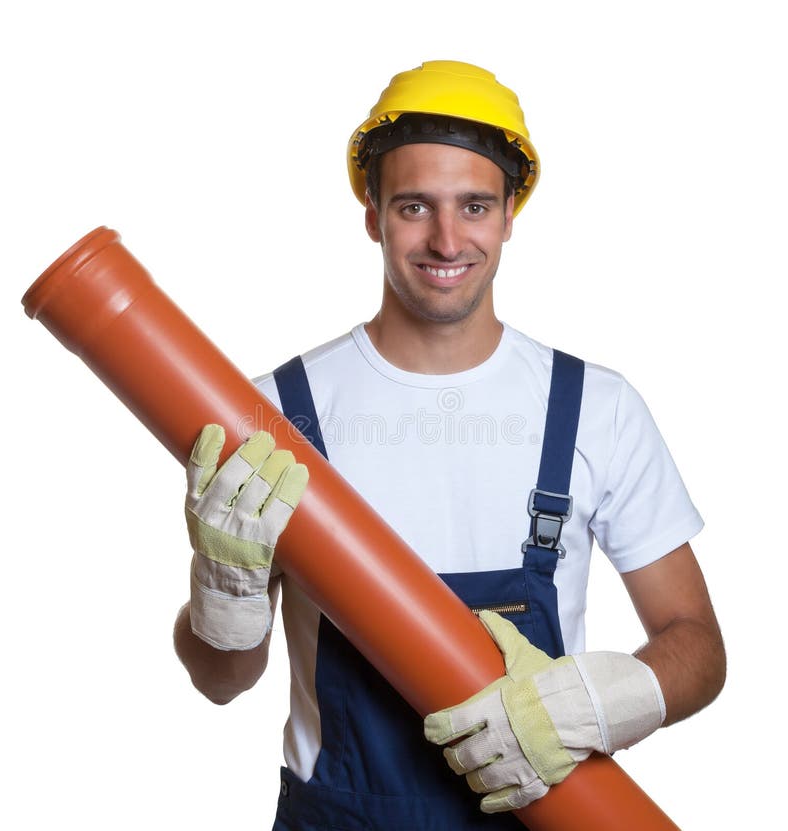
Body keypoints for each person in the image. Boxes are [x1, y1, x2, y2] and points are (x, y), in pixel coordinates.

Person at [173, 60, 725, 830]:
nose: (446, 238)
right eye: (414, 206)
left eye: (474, 205)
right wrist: (225, 591)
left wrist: (593, 706)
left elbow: (699, 650)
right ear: (373, 214)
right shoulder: (271, 417)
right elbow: (221, 680)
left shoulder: (596, 409)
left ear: (509, 215)